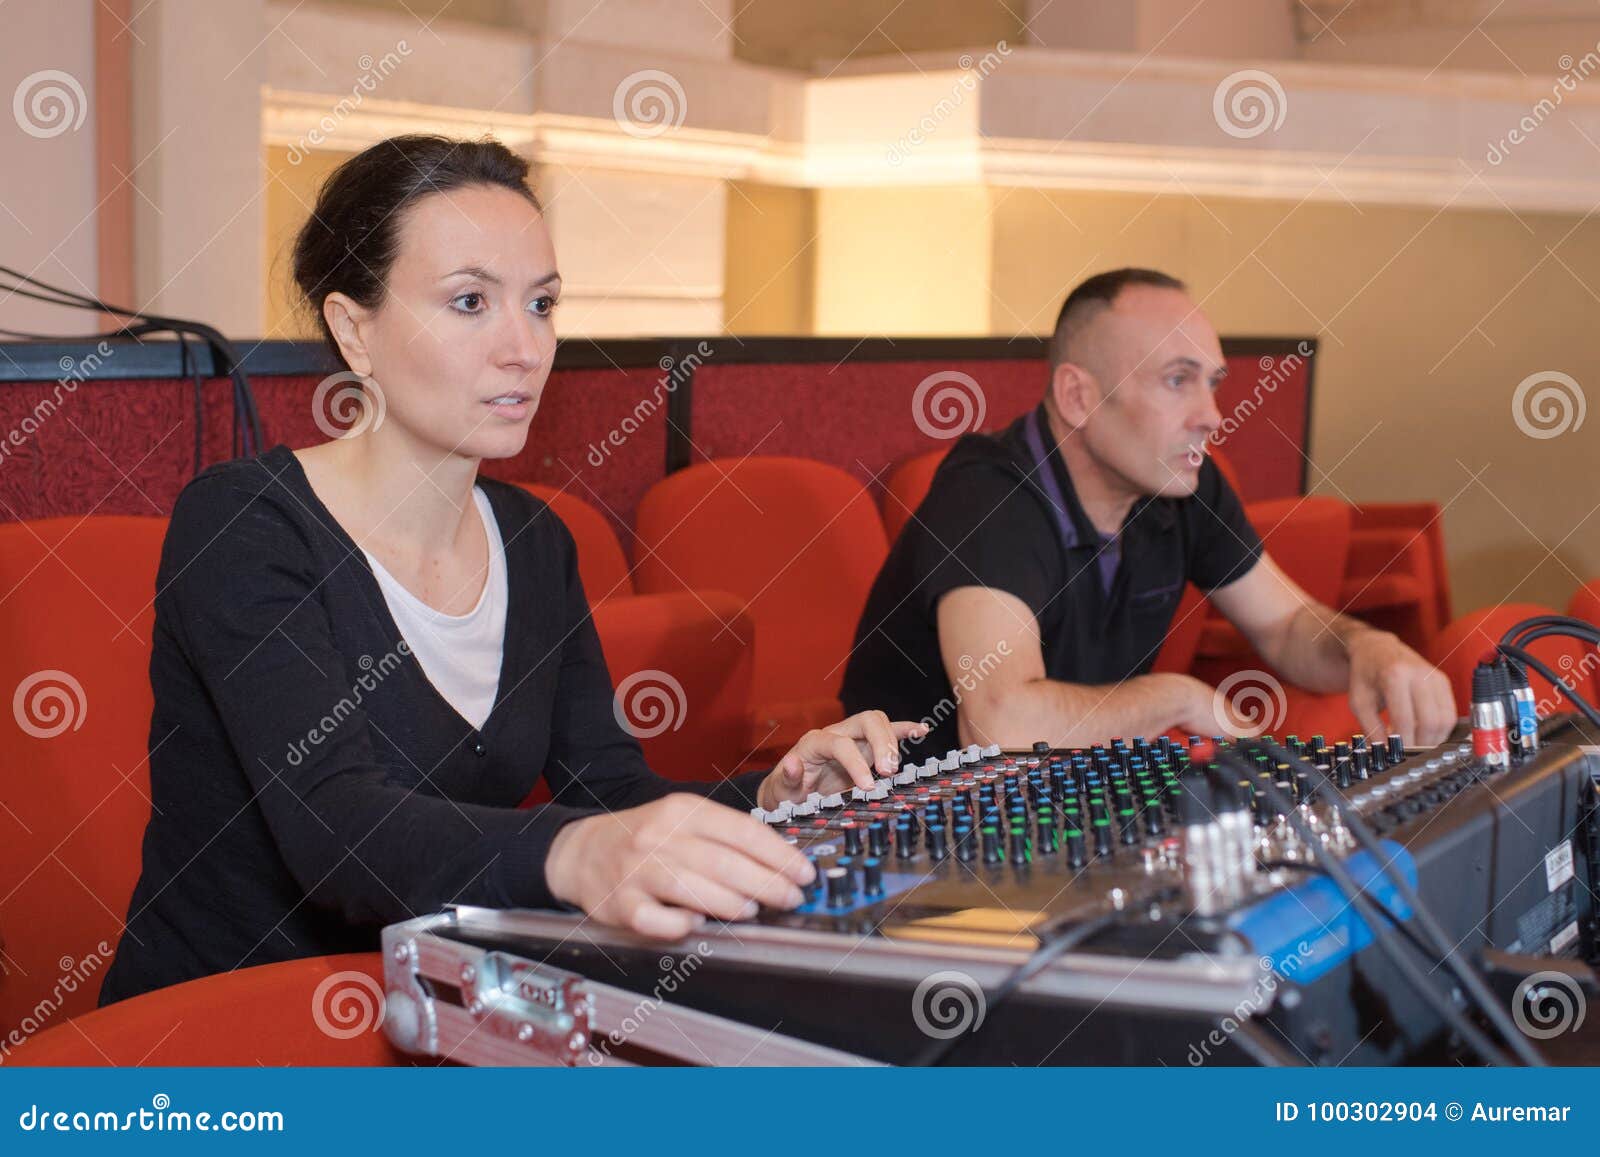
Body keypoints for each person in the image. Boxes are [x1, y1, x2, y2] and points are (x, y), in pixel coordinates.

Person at [99, 135, 924, 1006]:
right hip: (226, 1033)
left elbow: (612, 791)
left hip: (432, 1014)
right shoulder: (245, 524)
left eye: (541, 304)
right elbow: (339, 831)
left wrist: (777, 793)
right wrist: (572, 853)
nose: (525, 348)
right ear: (354, 329)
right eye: (469, 302)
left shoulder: (535, 540)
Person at [840, 268, 1455, 758]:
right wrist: (1176, 698)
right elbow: (1001, 723)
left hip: (1072, 803)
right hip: (925, 836)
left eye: (1212, 382)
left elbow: (1288, 627)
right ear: (1079, 396)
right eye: (1176, 381)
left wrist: (1367, 647)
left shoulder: (1180, 483)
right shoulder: (987, 495)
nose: (1212, 415)